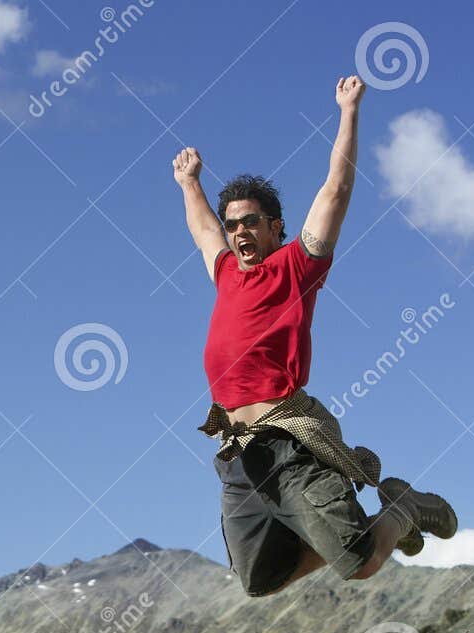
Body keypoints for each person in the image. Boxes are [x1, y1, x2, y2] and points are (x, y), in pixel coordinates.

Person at [172, 74, 457, 598]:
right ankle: (350, 535)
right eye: (233, 224)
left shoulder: (297, 266)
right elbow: (202, 228)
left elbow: (336, 189)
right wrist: (190, 182)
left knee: (359, 562)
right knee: (259, 581)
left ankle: (401, 510)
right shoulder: (226, 273)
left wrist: (348, 111)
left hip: (285, 440)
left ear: (276, 228)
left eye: (250, 222)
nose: (238, 231)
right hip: (238, 451)